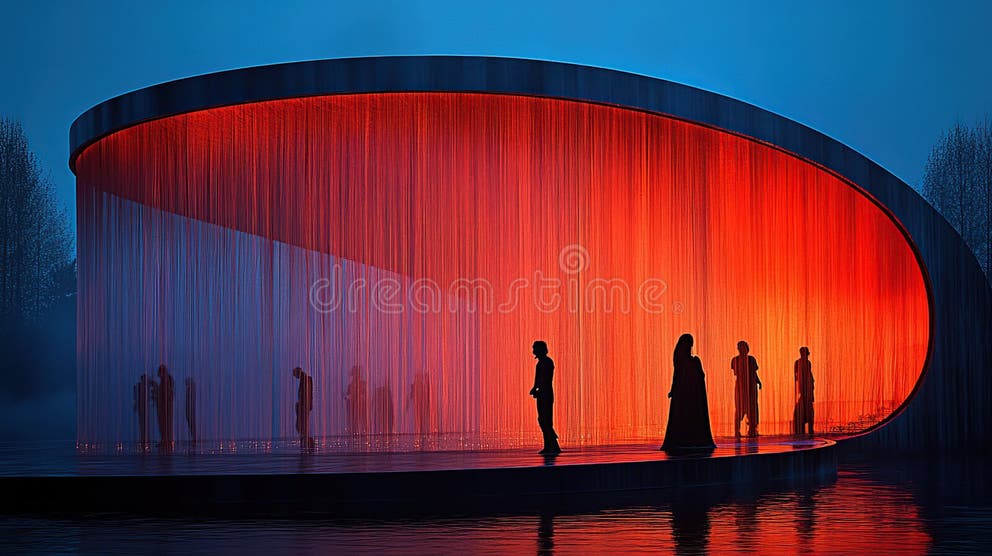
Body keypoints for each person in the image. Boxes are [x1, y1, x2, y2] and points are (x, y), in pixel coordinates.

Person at [661, 333, 716, 451]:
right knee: (690, 417)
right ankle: (692, 439)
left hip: (684, 395)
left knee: (683, 417)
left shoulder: (683, 360)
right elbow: (700, 376)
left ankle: (683, 439)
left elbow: (677, 376)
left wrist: (673, 390)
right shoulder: (694, 361)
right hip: (692, 396)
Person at [529, 340, 560, 454]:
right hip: (543, 393)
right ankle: (552, 445)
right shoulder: (542, 362)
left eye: (534, 348)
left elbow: (546, 379)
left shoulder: (546, 362)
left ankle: (551, 445)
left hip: (545, 394)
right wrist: (535, 388)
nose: (533, 351)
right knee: (543, 420)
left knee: (545, 420)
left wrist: (538, 389)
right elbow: (539, 379)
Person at [731, 341, 762, 437]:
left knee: (752, 408)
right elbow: (736, 373)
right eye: (740, 347)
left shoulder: (751, 359)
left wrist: (758, 381)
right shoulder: (735, 360)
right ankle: (737, 430)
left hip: (750, 386)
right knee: (740, 407)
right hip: (742, 387)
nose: (741, 349)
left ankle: (752, 429)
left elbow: (754, 373)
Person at [793, 347, 815, 435]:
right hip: (803, 386)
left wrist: (811, 383)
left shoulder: (807, 363)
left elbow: (808, 374)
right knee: (805, 406)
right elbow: (796, 376)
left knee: (807, 406)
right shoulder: (799, 363)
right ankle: (804, 427)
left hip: (806, 386)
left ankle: (807, 428)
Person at [293, 367, 314, 451]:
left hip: (303, 406)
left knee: (301, 425)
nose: (295, 377)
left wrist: (302, 404)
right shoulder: (306, 379)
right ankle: (306, 440)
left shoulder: (306, 379)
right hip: (304, 406)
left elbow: (306, 394)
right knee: (301, 425)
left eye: (295, 375)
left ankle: (307, 441)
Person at [156, 364, 175, 450]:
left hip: (165, 406)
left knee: (165, 423)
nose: (159, 375)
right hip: (163, 405)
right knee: (163, 423)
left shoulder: (167, 380)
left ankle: (166, 440)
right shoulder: (165, 380)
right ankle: (165, 440)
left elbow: (169, 393)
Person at [345, 365, 368, 435]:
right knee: (353, 422)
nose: (356, 376)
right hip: (353, 406)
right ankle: (354, 432)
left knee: (360, 421)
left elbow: (365, 395)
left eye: (357, 374)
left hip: (360, 406)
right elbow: (348, 395)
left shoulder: (362, 384)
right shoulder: (350, 385)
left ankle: (361, 432)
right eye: (355, 374)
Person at [133, 373, 154, 449]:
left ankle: (145, 439)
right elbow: (135, 395)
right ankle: (144, 439)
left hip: (144, 406)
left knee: (144, 423)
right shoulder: (141, 386)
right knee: (143, 423)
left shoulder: (143, 385)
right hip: (142, 406)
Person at [185, 377, 197, 447]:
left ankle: (194, 438)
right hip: (189, 408)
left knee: (192, 423)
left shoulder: (191, 388)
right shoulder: (189, 389)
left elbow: (190, 400)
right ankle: (194, 437)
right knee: (191, 423)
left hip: (190, 408)